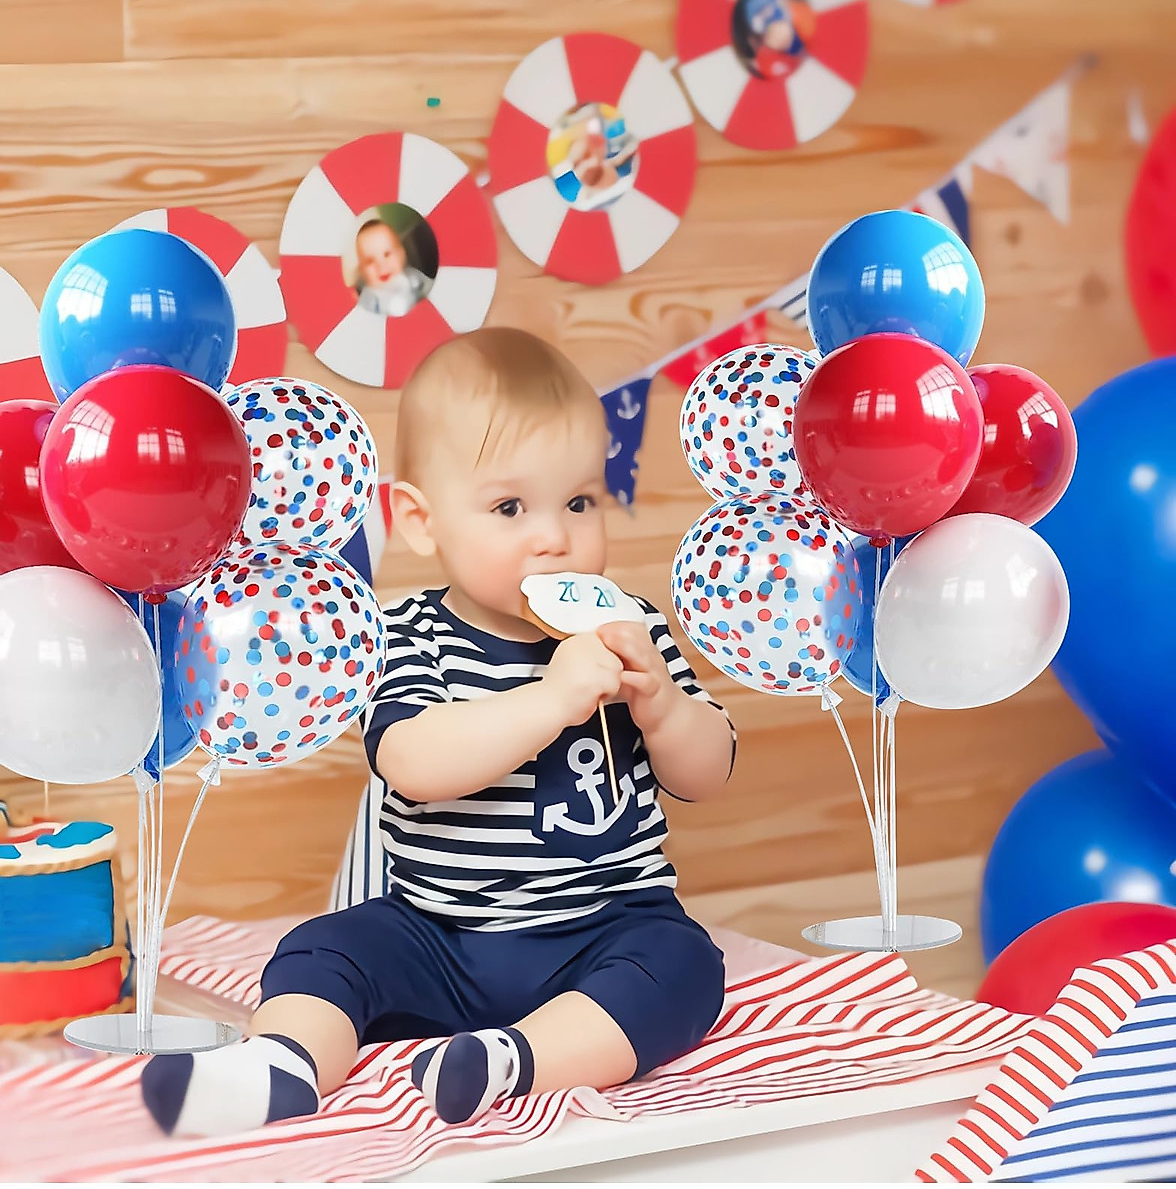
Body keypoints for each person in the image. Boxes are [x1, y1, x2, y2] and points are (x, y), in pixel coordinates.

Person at [139, 327, 736, 1138]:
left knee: (687, 968)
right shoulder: (409, 635)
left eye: (580, 501)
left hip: (607, 926)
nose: (554, 536)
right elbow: (412, 762)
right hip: (440, 934)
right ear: (421, 520)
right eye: (509, 507)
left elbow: (709, 773)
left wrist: (662, 705)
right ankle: (281, 1065)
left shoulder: (629, 629)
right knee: (325, 948)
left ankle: (512, 1060)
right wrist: (551, 699)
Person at [353, 219, 431, 317]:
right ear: (362, 270)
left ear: (401, 255)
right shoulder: (369, 298)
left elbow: (433, 292)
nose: (381, 265)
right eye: (370, 261)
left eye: (387, 254)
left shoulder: (413, 278)